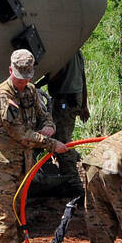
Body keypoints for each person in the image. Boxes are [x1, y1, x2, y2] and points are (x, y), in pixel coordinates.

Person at [0, 49, 68, 243]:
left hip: (23, 166)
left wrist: (49, 126)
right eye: (20, 77)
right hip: (3, 167)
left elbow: (45, 114)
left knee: (19, 216)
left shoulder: (31, 91)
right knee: (5, 219)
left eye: (27, 77)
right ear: (11, 71)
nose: (23, 82)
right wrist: (51, 143)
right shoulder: (2, 97)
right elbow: (20, 133)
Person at [43, 52, 89, 186]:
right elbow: (83, 78)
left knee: (61, 139)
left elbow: (56, 75)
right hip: (74, 98)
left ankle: (73, 181)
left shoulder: (63, 52)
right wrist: (84, 104)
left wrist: (40, 82)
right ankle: (72, 162)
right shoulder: (76, 51)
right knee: (61, 136)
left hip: (65, 99)